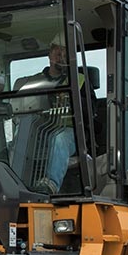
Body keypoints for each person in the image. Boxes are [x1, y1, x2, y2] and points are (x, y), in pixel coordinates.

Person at [13, 33, 83, 194]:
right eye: (58, 53)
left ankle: (51, 183)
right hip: (38, 130)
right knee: (19, 138)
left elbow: (90, 114)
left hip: (72, 133)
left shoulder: (79, 80)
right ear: (49, 55)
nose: (61, 58)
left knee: (59, 138)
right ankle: (12, 181)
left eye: (65, 54)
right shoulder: (32, 83)